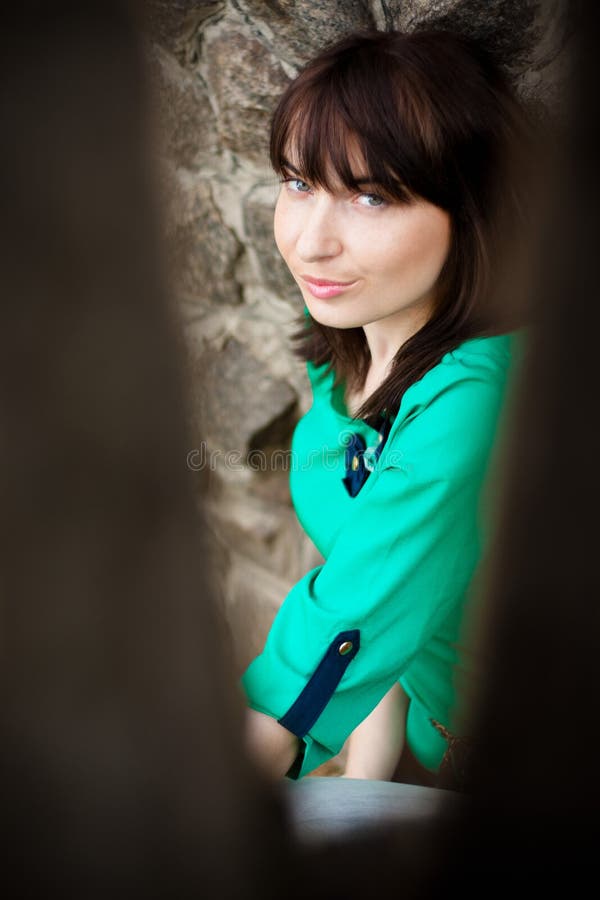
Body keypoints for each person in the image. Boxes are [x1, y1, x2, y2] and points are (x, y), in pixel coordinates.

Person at [242, 28, 531, 786]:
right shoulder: (351, 356)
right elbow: (395, 594)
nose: (309, 243)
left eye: (370, 196)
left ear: (470, 211)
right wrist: (371, 777)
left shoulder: (475, 405)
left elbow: (353, 607)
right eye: (299, 182)